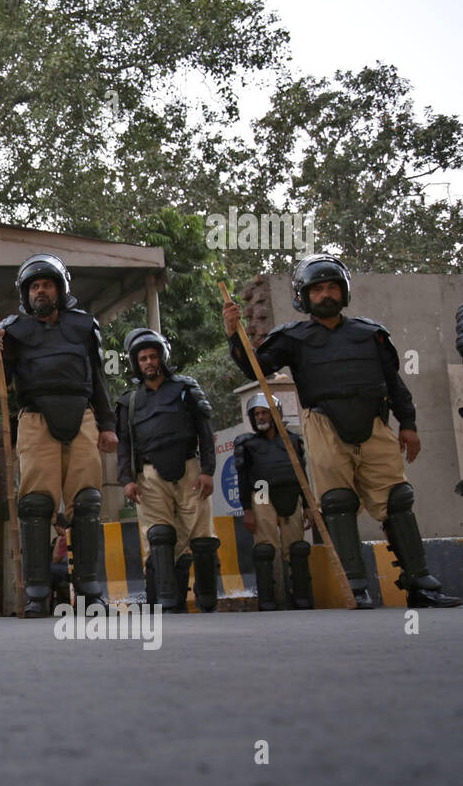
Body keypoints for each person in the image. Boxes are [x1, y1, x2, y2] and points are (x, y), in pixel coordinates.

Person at [224, 255, 460, 609]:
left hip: (375, 424)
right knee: (337, 503)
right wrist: (233, 333)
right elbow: (254, 369)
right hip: (324, 426)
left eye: (332, 286)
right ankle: (355, 586)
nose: (326, 294)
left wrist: (408, 425)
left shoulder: (371, 334)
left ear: (344, 291)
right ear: (304, 297)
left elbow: (394, 385)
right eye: (317, 289)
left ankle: (420, 583)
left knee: (398, 500)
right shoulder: (292, 337)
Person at [0, 253, 118, 615]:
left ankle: (91, 590)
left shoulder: (84, 326)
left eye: (46, 284)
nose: (40, 291)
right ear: (25, 295)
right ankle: (37, 594)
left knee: (88, 502)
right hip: (34, 418)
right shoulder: (11, 330)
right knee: (35, 504)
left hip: (82, 415)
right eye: (33, 287)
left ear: (60, 289)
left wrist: (108, 425)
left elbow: (99, 378)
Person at [116, 327, 220, 612]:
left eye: (153, 356)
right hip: (149, 477)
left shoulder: (186, 389)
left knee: (202, 541)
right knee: (160, 538)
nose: (149, 362)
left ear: (162, 358)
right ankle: (167, 604)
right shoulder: (129, 402)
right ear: (136, 364)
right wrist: (127, 480)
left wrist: (208, 470)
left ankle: (208, 602)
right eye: (142, 359)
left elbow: (205, 431)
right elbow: (124, 444)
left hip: (190, 470)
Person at [233, 393, 313, 610]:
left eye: (264, 412)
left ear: (275, 413)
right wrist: (247, 510)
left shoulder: (293, 441)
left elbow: (302, 475)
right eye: (256, 413)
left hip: (290, 495)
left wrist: (308, 506)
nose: (260, 417)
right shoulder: (247, 445)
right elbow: (242, 479)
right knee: (264, 550)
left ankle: (302, 599)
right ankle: (267, 601)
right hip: (261, 494)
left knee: (296, 548)